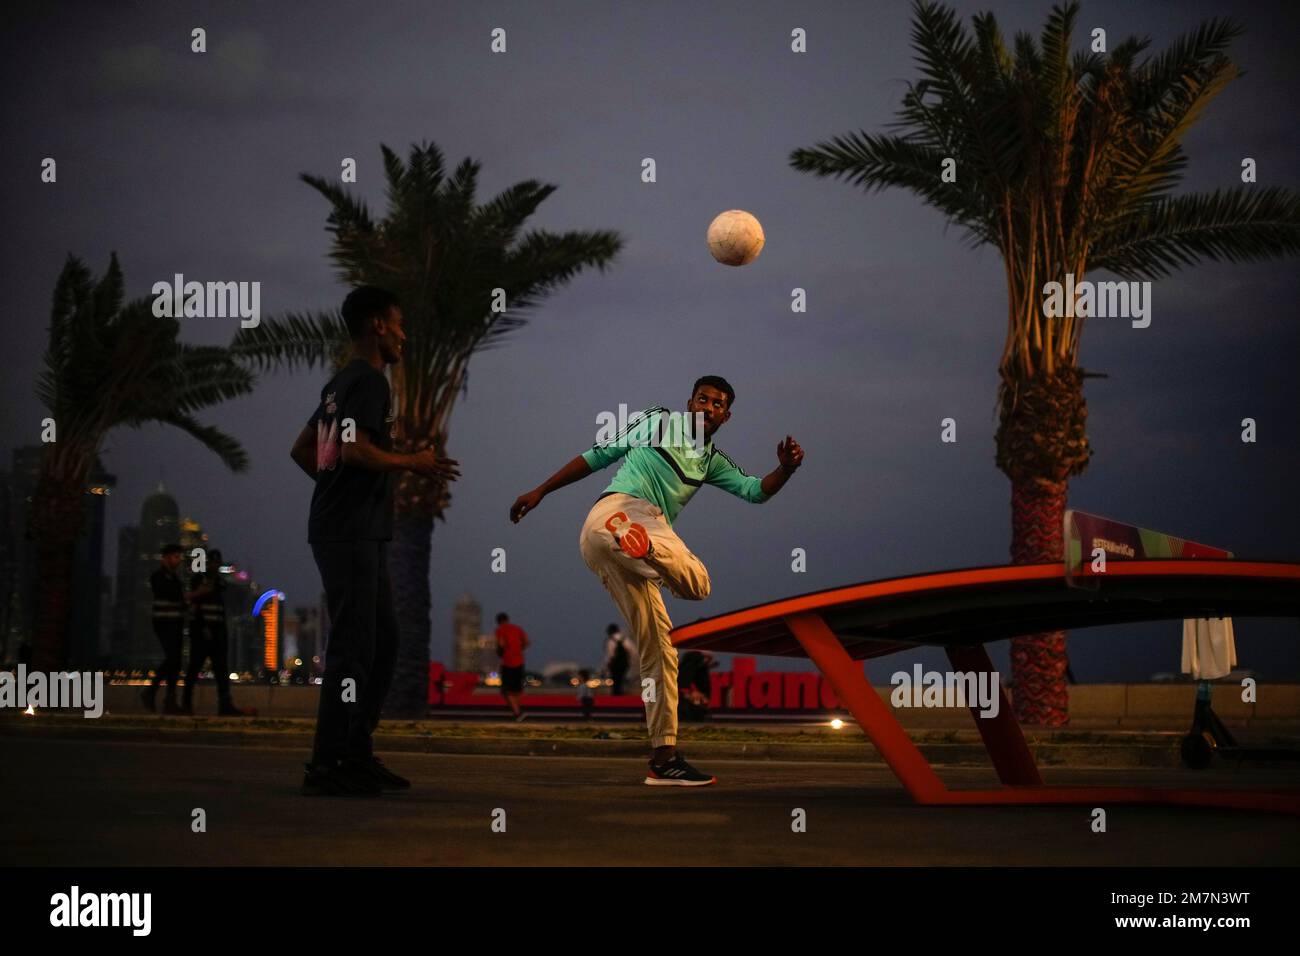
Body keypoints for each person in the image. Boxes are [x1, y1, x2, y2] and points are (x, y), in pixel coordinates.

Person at [511, 376, 803, 786]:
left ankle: (663, 759)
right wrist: (541, 490)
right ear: (689, 402)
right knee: (666, 566)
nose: (708, 407)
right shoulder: (659, 421)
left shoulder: (712, 461)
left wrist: (786, 469)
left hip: (638, 541)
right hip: (613, 516)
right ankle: (638, 542)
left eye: (717, 404)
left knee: (674, 625)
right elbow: (598, 455)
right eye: (702, 399)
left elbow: (756, 491)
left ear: (726, 415)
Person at [289, 285, 460, 797]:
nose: (405, 335)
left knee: (383, 642)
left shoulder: (342, 383)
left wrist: (338, 486)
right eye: (399, 324)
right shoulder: (368, 381)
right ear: (378, 326)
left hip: (355, 530)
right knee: (352, 648)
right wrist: (413, 462)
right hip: (349, 534)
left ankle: (355, 753)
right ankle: (327, 765)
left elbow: (306, 450)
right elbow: (354, 450)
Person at [182, 549, 244, 716]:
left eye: (216, 563)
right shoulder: (198, 580)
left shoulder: (219, 582)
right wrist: (203, 627)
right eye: (211, 562)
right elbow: (194, 605)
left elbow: (223, 593)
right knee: (194, 668)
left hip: (217, 632)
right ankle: (186, 704)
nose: (214, 566)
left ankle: (225, 705)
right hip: (201, 632)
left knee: (221, 671)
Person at [141, 543, 189, 715]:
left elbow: (180, 601)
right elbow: (169, 595)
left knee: (175, 662)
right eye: (176, 557)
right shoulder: (158, 577)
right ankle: (153, 692)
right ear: (167, 557)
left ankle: (168, 698)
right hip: (164, 622)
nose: (178, 560)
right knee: (172, 658)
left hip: (175, 623)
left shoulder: (175, 579)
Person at [494, 612, 530, 721]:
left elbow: (501, 644)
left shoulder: (500, 630)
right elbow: (527, 642)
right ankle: (518, 711)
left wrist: (500, 653)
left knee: (506, 691)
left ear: (498, 621)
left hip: (508, 663)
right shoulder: (517, 629)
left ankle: (517, 713)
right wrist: (519, 650)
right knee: (517, 689)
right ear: (507, 619)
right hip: (520, 662)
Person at [604, 623, 631, 694]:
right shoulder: (625, 639)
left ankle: (616, 694)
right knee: (622, 679)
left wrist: (608, 663)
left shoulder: (611, 641)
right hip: (624, 663)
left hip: (615, 664)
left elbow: (610, 654)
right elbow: (630, 650)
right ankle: (621, 693)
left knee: (615, 680)